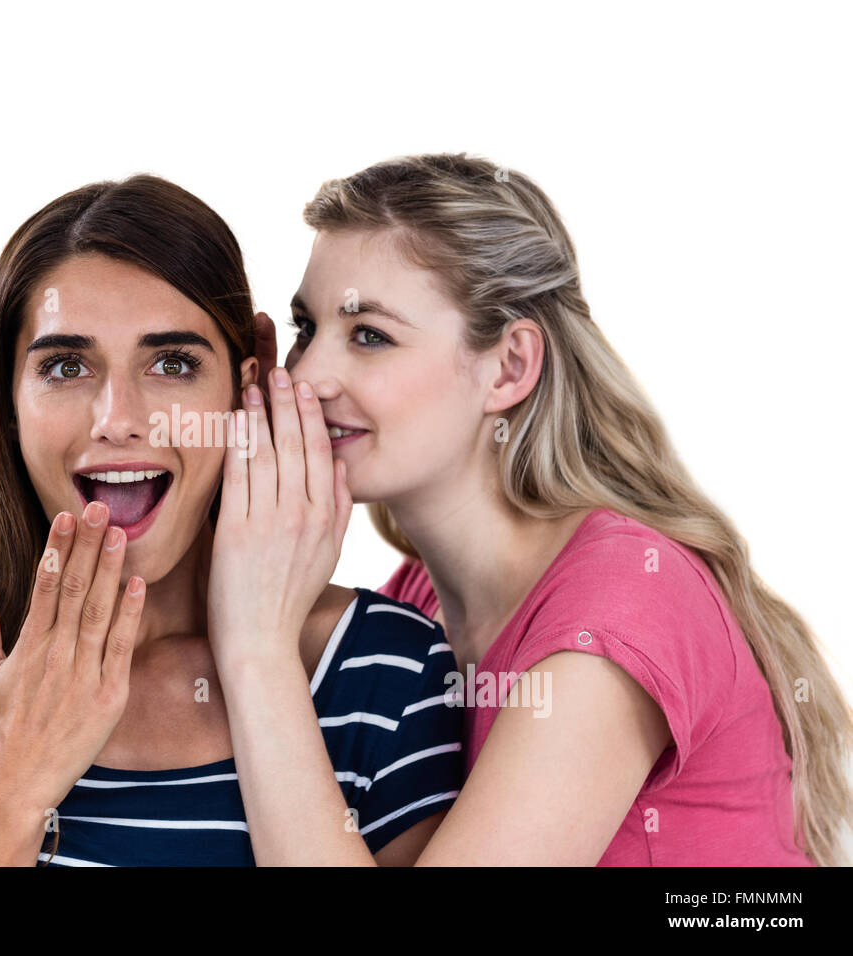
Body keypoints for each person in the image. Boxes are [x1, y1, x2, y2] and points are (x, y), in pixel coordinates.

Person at [0, 173, 464, 866]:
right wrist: (14, 787)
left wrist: (257, 652)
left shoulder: (390, 676)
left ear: (245, 381)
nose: (119, 421)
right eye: (66, 366)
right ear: (6, 398)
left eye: (172, 363)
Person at [208, 153, 853, 865]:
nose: (307, 376)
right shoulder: (420, 600)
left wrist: (259, 653)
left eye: (369, 335)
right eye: (307, 328)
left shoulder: (622, 608)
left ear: (510, 366)